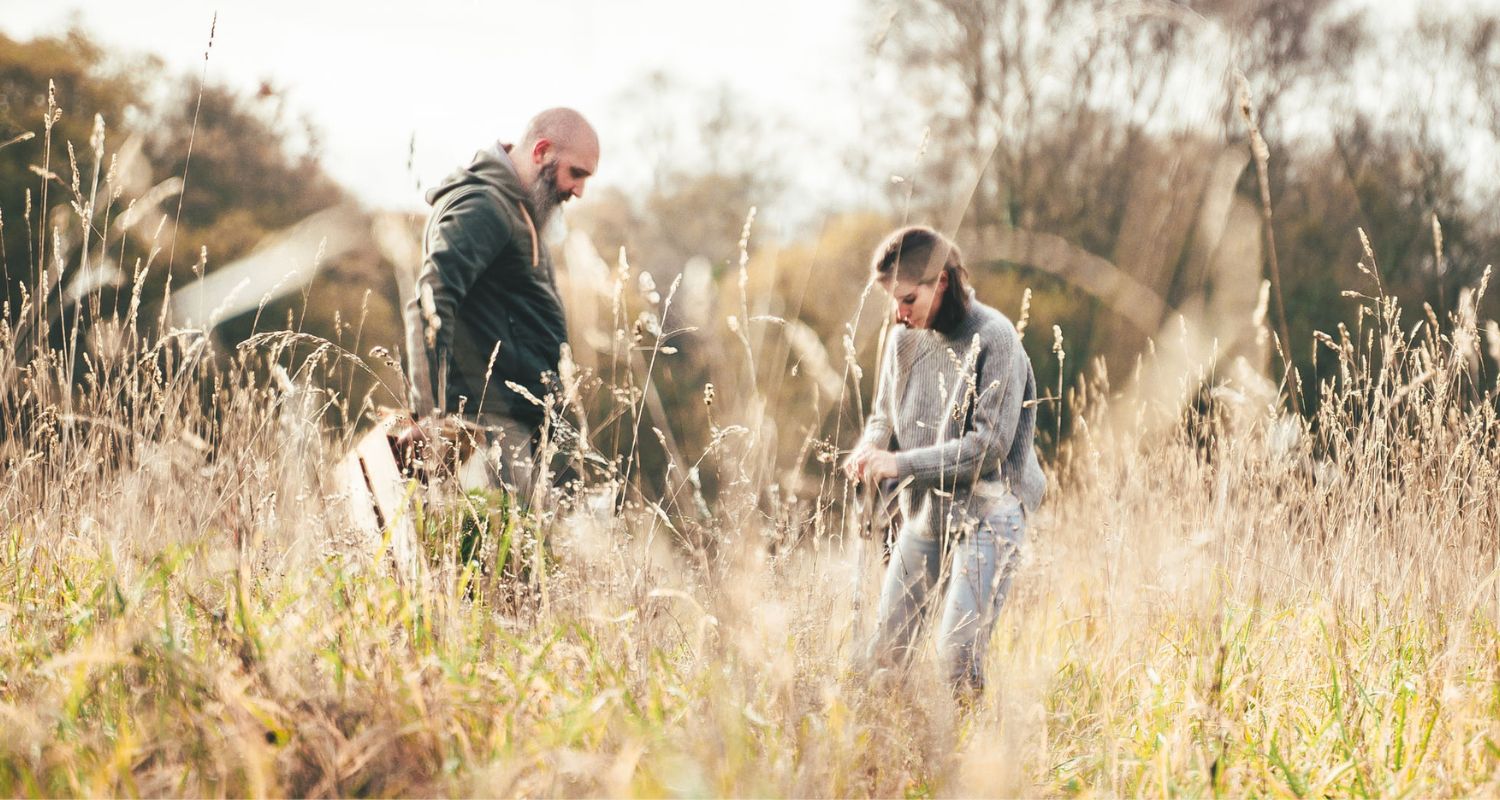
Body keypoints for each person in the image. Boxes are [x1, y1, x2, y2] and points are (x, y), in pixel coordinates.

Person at [843, 225, 1046, 698]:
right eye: (893, 301)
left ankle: (968, 763)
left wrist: (900, 465)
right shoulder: (902, 340)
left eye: (908, 299)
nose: (900, 312)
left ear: (943, 283)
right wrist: (869, 450)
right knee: (884, 656)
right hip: (928, 513)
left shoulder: (996, 339)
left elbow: (987, 449)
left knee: (955, 661)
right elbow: (883, 417)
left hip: (993, 511)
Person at [401, 108, 599, 499]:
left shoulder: (519, 208)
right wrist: (430, 414)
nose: (578, 190)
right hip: (484, 425)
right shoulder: (485, 205)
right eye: (576, 174)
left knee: (521, 555)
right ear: (541, 151)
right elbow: (429, 300)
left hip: (514, 424)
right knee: (490, 558)